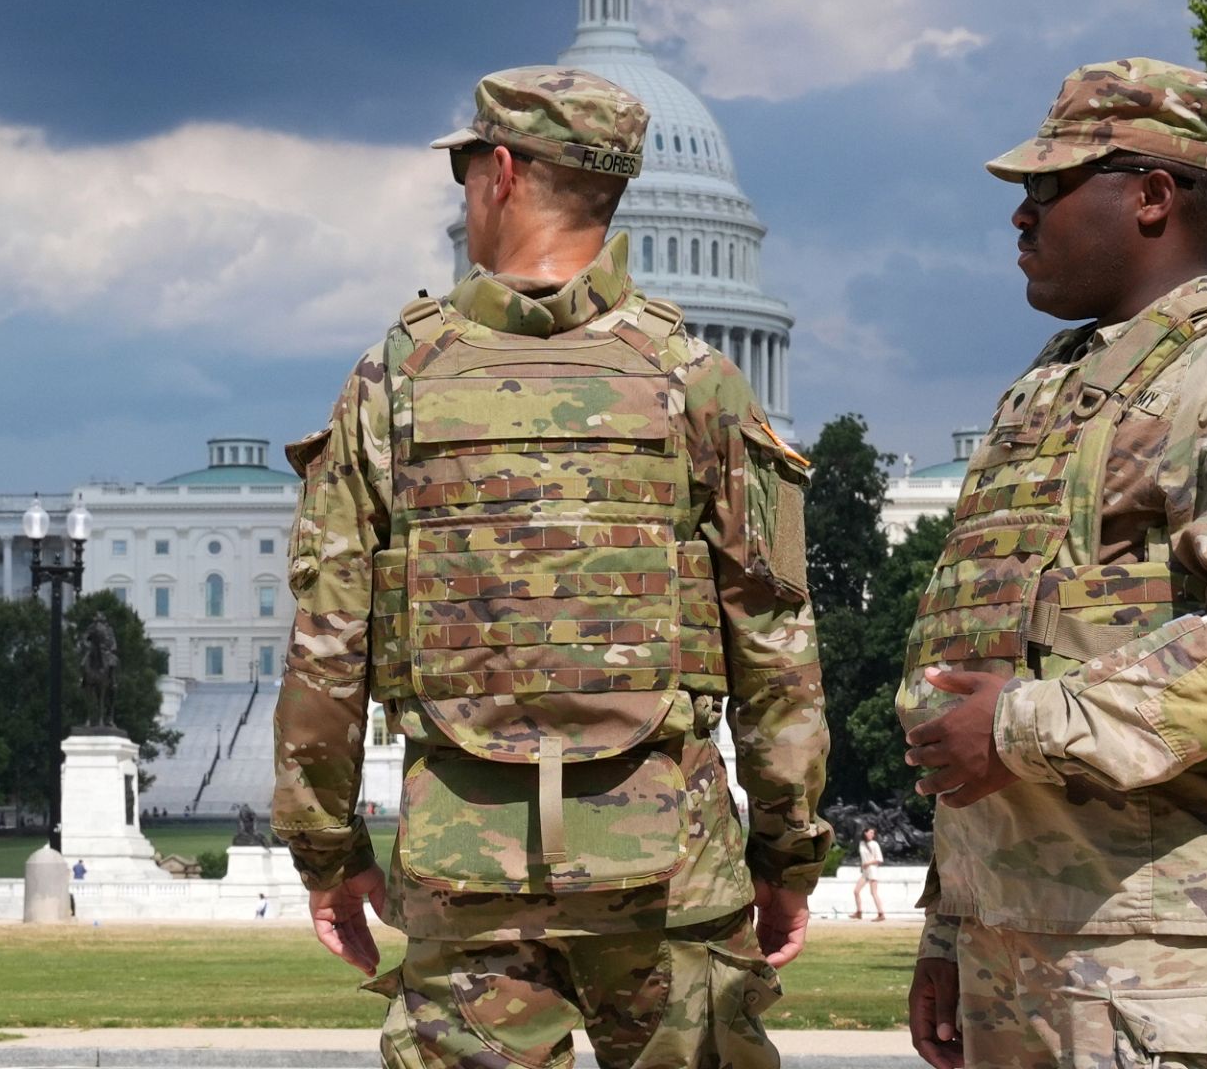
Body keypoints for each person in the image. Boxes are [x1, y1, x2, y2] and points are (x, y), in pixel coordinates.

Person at [273, 66, 831, 1069]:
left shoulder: (392, 382)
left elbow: (326, 651)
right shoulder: (696, 380)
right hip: (670, 865)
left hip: (465, 867)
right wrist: (790, 851)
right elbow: (776, 648)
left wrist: (327, 852)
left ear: (498, 172)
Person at [897, 58, 1207, 1069]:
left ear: (1155, 194)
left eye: (1047, 188)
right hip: (1027, 943)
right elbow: (989, 646)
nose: (1021, 219)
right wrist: (951, 924)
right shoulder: (1061, 383)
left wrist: (1025, 724)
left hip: (1165, 960)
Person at [851, 826, 885, 921]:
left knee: (873, 892)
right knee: (856, 891)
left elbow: (879, 859)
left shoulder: (875, 844)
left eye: (873, 833)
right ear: (865, 833)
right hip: (865, 872)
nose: (872, 835)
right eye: (870, 833)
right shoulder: (861, 843)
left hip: (873, 871)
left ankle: (881, 913)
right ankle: (859, 912)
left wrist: (867, 863)